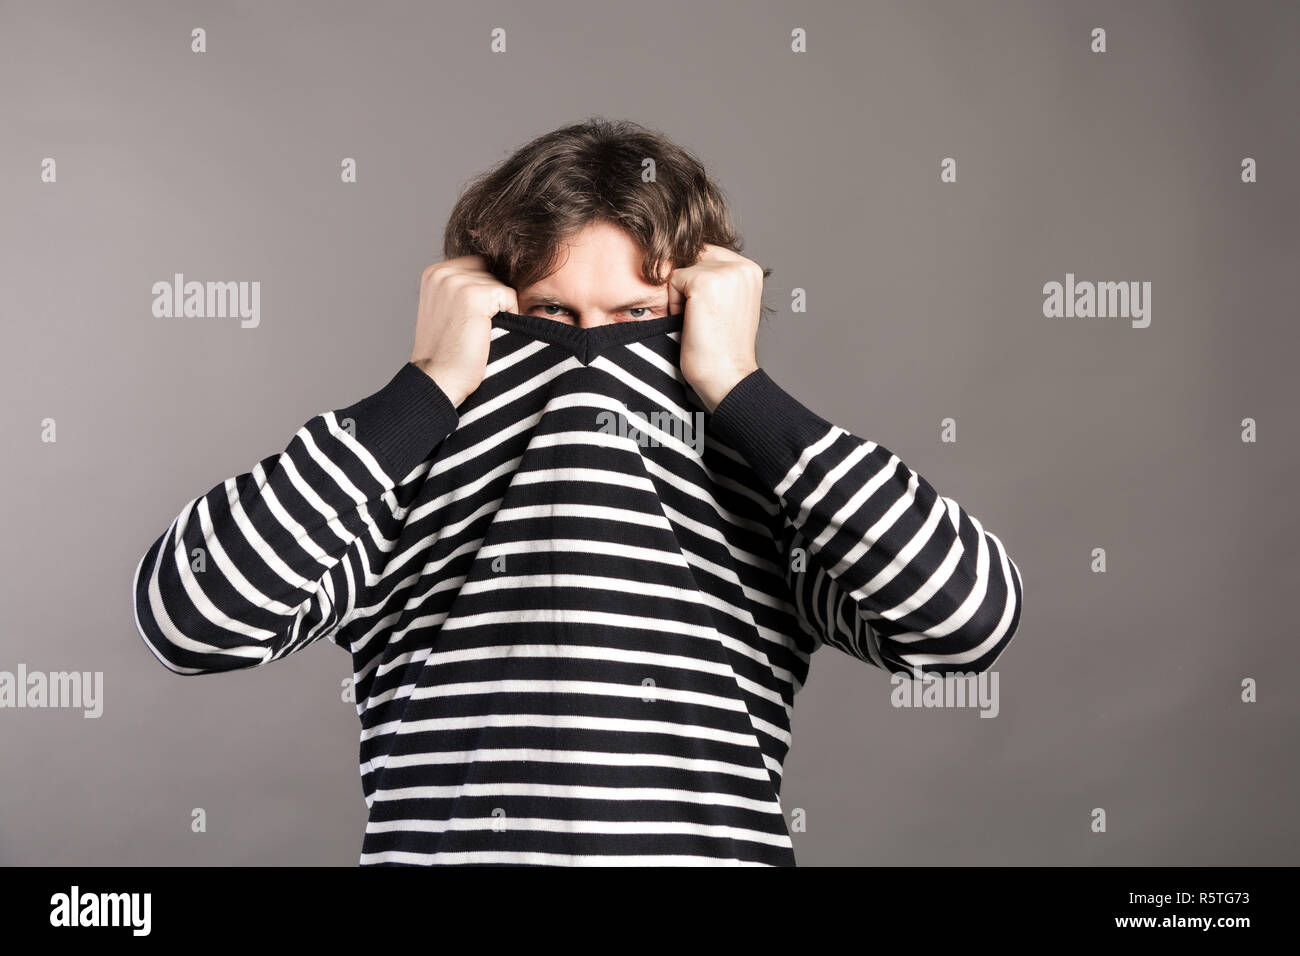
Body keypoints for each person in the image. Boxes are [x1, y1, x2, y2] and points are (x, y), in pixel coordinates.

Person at [132, 117, 1024, 866]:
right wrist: (424, 388)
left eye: (639, 319)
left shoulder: (770, 481)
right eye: (551, 316)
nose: (591, 361)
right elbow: (192, 618)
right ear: (481, 305)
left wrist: (742, 389)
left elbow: (964, 621)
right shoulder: (395, 473)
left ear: (701, 309)